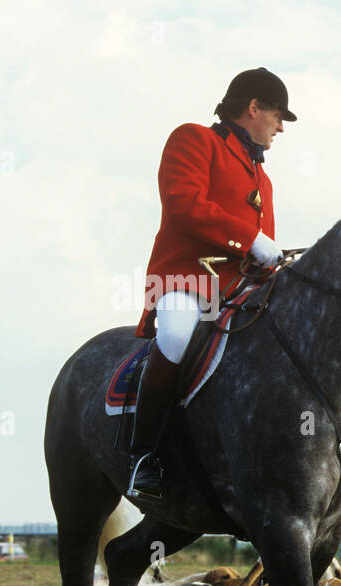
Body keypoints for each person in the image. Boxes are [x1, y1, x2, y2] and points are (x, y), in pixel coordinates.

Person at [126, 67, 297, 502]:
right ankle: (142, 456)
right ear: (253, 107)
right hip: (187, 279)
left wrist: (270, 265)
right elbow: (185, 207)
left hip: (242, 290)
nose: (280, 127)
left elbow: (260, 253)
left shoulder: (265, 179)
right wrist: (251, 240)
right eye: (277, 115)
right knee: (179, 333)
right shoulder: (193, 139)